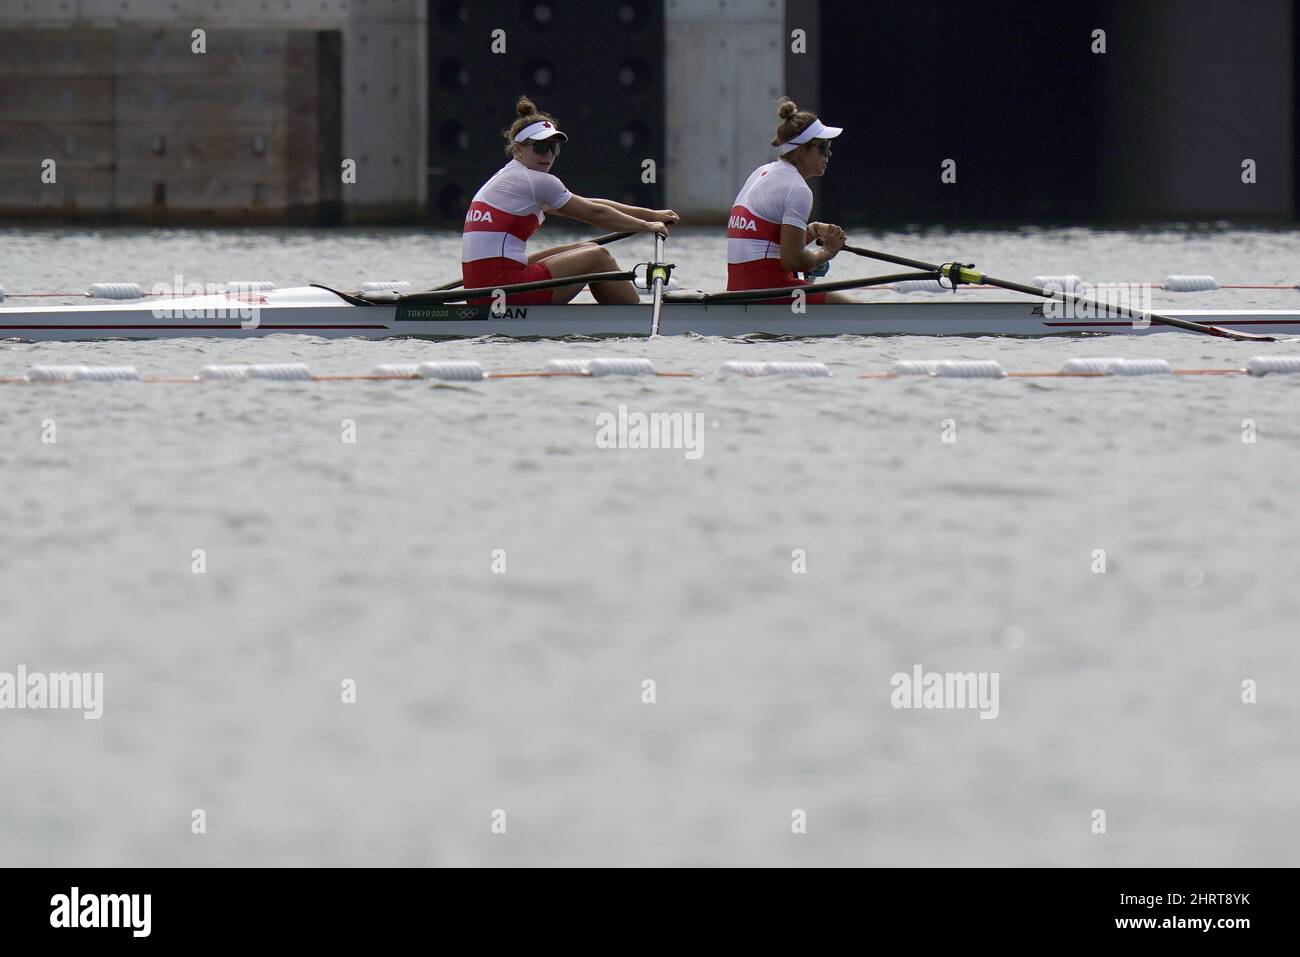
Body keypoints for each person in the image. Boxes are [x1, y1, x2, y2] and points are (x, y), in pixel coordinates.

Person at [462, 96, 678, 305]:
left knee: (586, 247)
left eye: (553, 147)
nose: (547, 155)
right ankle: (633, 315)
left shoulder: (509, 177)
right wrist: (648, 227)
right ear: (518, 149)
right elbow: (596, 215)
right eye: (539, 147)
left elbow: (591, 205)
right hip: (501, 290)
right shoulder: (534, 181)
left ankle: (619, 290)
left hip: (483, 288)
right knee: (598, 257)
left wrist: (652, 214)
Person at [726, 97, 851, 303]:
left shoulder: (762, 172)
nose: (829, 153)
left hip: (740, 289)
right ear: (801, 151)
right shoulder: (797, 188)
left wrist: (811, 231)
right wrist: (827, 252)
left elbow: (773, 244)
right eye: (823, 147)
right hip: (768, 290)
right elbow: (794, 261)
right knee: (855, 309)